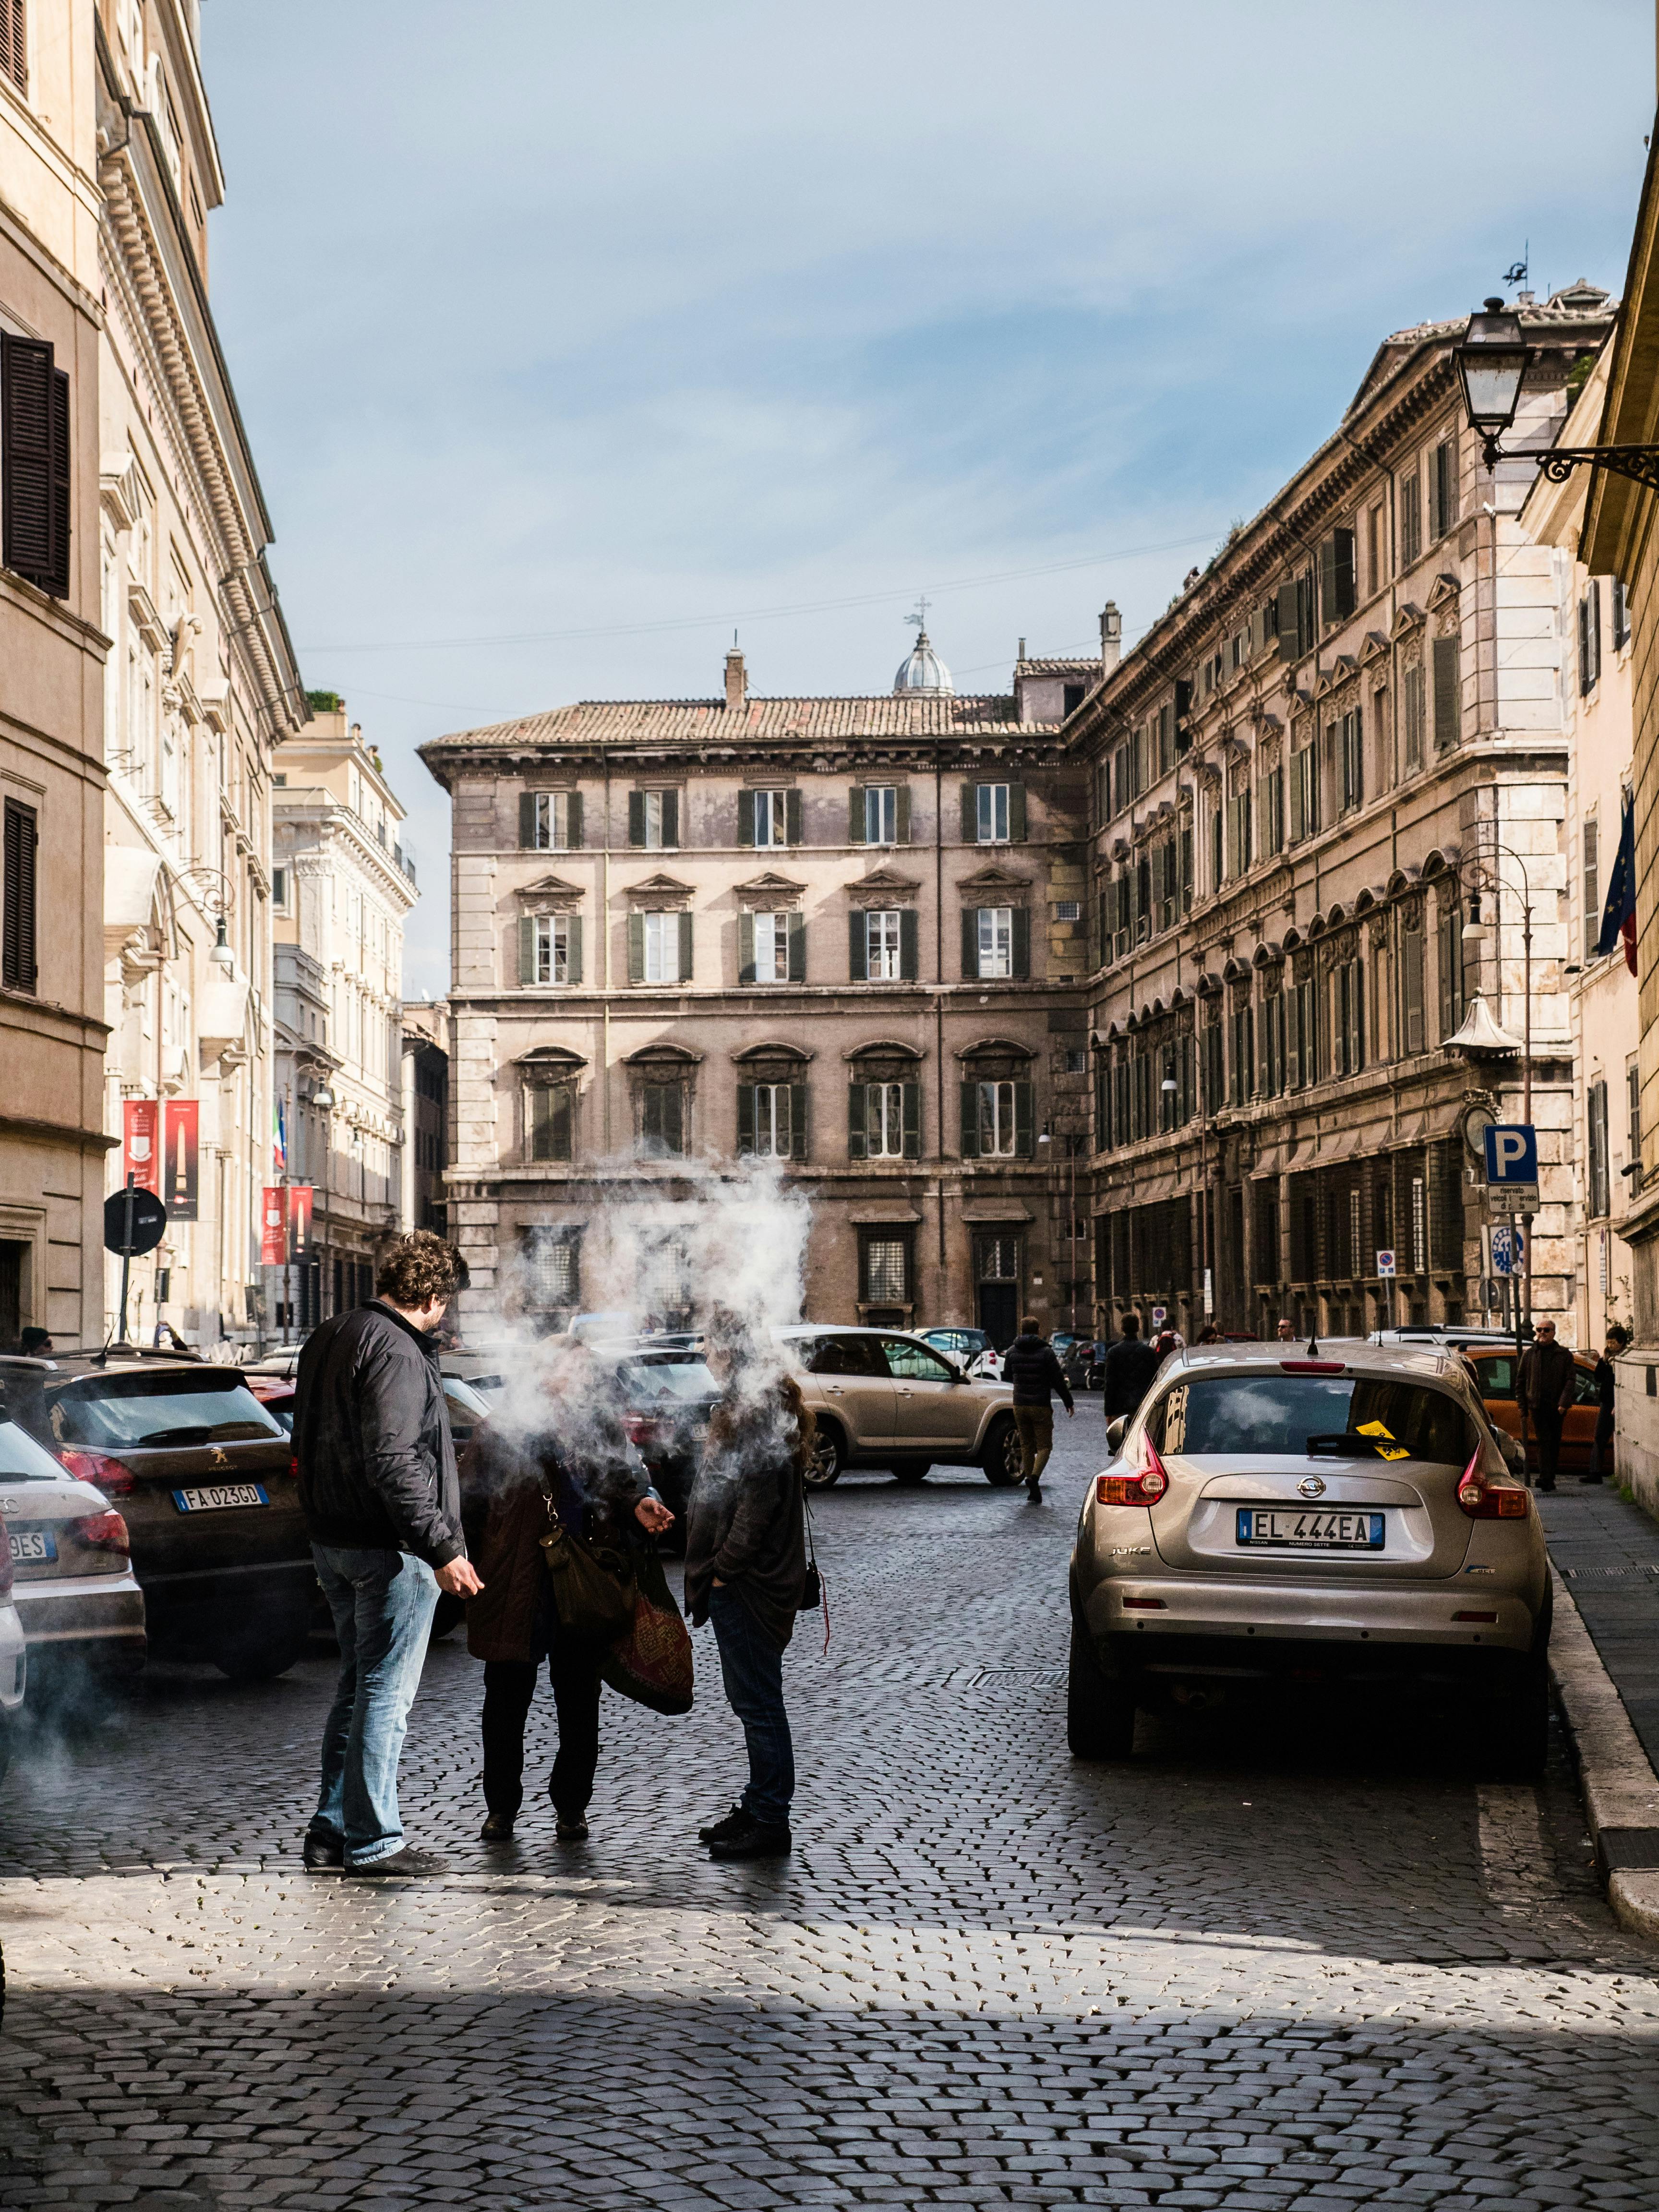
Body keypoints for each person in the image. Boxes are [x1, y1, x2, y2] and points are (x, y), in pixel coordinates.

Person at [293, 1230, 481, 1875]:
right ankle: (375, 1842)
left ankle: (332, 1830)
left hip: (333, 1541)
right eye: (445, 1303)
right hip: (388, 1549)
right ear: (431, 1295)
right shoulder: (397, 1351)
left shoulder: (329, 1334)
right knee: (383, 1695)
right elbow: (396, 1462)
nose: (446, 1315)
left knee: (356, 1686)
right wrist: (443, 1548)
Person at [463, 1351, 674, 1842]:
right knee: (506, 1701)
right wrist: (477, 1563)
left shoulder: (598, 1429)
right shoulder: (502, 1430)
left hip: (583, 1582)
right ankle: (501, 1808)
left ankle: (572, 1807)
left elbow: (627, 1486)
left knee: (580, 1702)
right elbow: (469, 1502)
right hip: (519, 1582)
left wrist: (639, 1506)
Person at [685, 1334, 812, 1861]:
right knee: (753, 1703)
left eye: (711, 1349)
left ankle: (769, 1820)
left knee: (759, 1706)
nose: (706, 1358)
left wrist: (721, 1574)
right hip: (744, 1586)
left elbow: (754, 1513)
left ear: (732, 1357)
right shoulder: (752, 1412)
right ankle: (758, 1803)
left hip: (748, 1589)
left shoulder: (756, 1418)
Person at [1003, 1316, 1076, 1499]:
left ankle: (1030, 1483)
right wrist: (1068, 1401)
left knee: (1026, 1445)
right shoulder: (1046, 1353)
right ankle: (1034, 1478)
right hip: (1040, 1405)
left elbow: (1007, 1376)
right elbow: (1058, 1380)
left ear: (1022, 1330)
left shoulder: (1012, 1352)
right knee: (1044, 1446)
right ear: (1037, 1331)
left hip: (1019, 1404)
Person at [1517, 1317, 1576, 1493]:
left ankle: (1549, 1477)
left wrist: (1564, 1402)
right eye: (1539, 1329)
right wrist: (1522, 1406)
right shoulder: (1530, 1354)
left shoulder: (1564, 1354)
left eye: (1547, 1330)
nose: (1542, 1333)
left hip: (1557, 1407)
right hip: (1537, 1405)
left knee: (1554, 1442)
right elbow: (1520, 1381)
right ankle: (1545, 1478)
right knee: (1544, 1442)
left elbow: (1571, 1380)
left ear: (1554, 1333)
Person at [1588, 1326, 1629, 1485]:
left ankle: (1604, 1471)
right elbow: (1598, 1378)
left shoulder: (1624, 1360)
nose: (1610, 1346)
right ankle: (1595, 1472)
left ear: (1622, 1343)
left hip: (1616, 1402)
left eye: (1613, 1343)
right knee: (1599, 1436)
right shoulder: (1608, 1359)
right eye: (1608, 1343)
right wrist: (1604, 1361)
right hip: (1606, 1402)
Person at [1104, 1313, 1161, 1422]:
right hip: (1143, 1405)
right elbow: (1155, 1380)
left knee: (1123, 1438)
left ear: (1122, 1328)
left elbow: (1110, 1384)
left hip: (1120, 1406)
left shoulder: (1113, 1352)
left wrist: (1109, 1412)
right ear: (1138, 1328)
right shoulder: (1149, 1352)